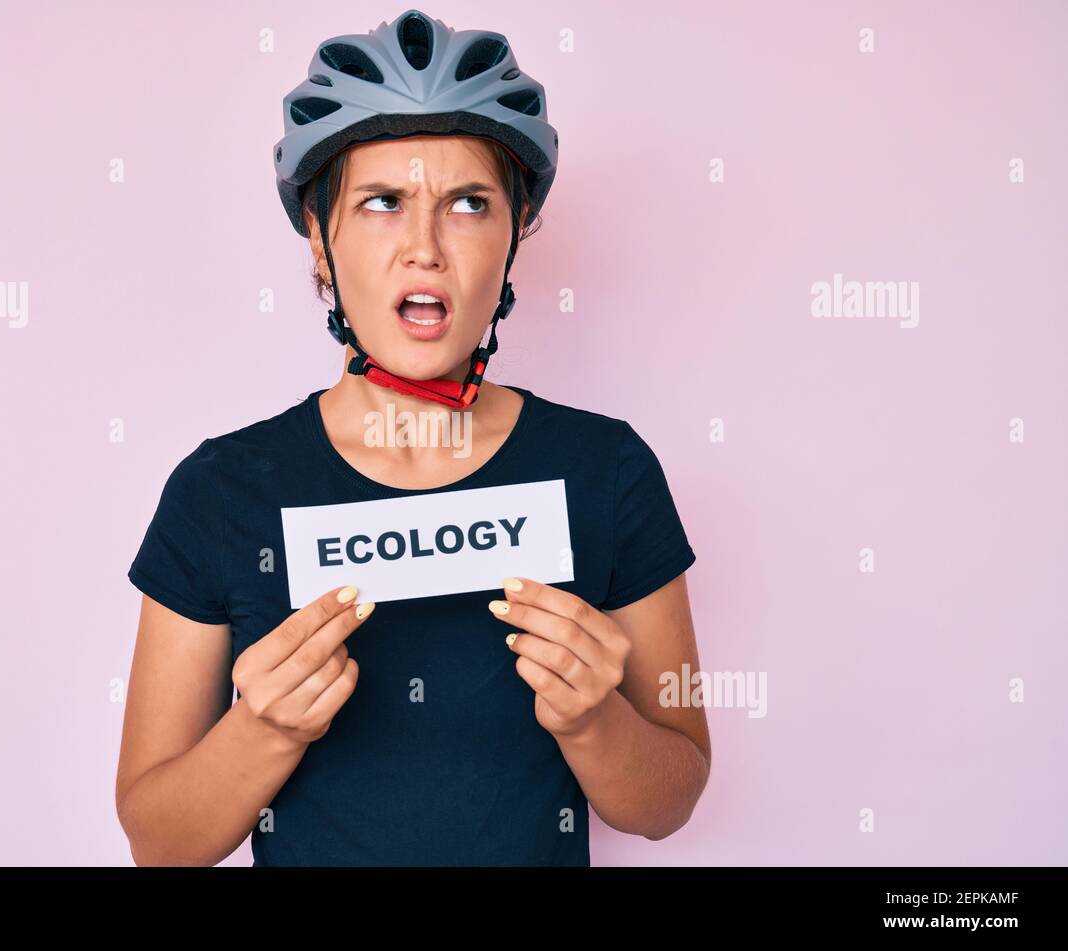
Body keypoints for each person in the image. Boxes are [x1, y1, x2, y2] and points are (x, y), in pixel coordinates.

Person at [115, 8, 709, 866]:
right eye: (382, 204)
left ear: (512, 240)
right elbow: (158, 841)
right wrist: (265, 730)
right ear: (320, 243)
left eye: (469, 205)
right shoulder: (220, 491)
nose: (424, 248)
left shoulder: (607, 470)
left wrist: (594, 719)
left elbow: (671, 798)